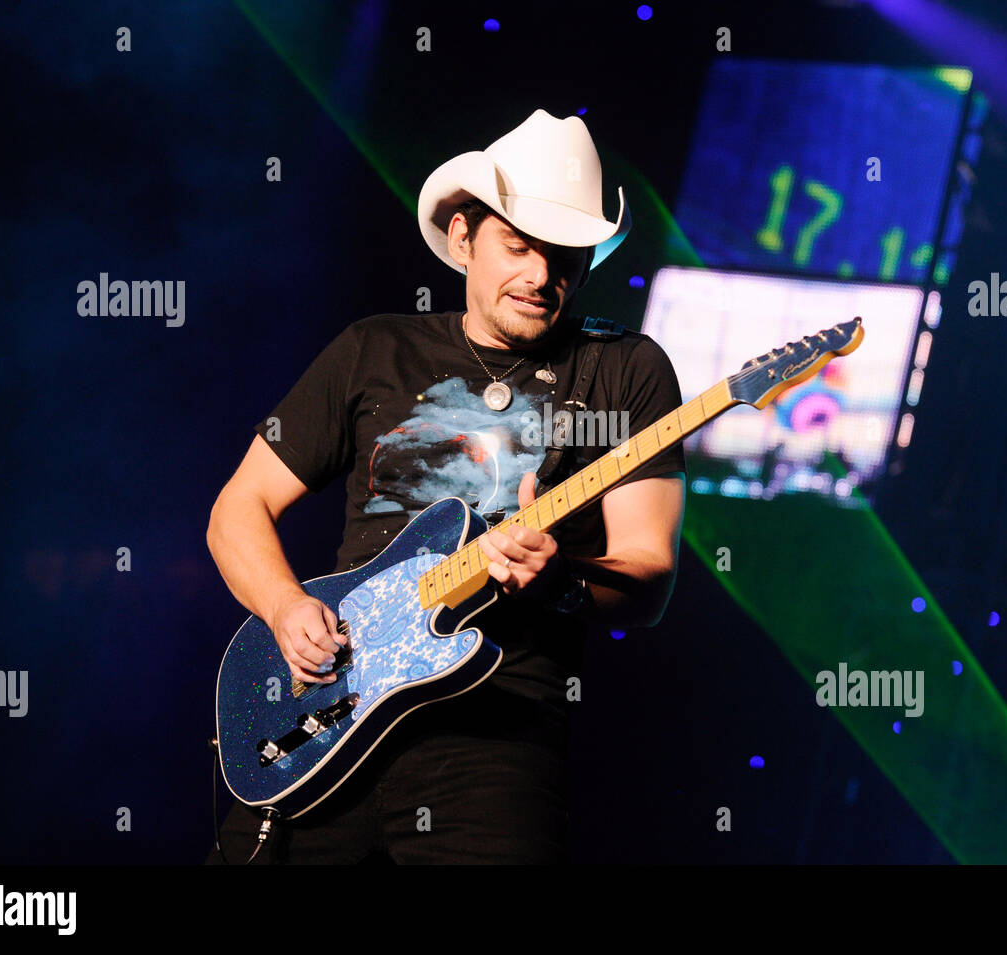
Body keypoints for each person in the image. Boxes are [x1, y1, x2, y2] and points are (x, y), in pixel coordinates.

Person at [205, 109, 687, 864]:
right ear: (463, 237)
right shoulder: (373, 349)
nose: (540, 276)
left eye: (565, 256)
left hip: (494, 745)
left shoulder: (628, 370)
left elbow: (648, 579)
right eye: (519, 245)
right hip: (324, 717)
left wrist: (560, 579)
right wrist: (285, 604)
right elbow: (238, 509)